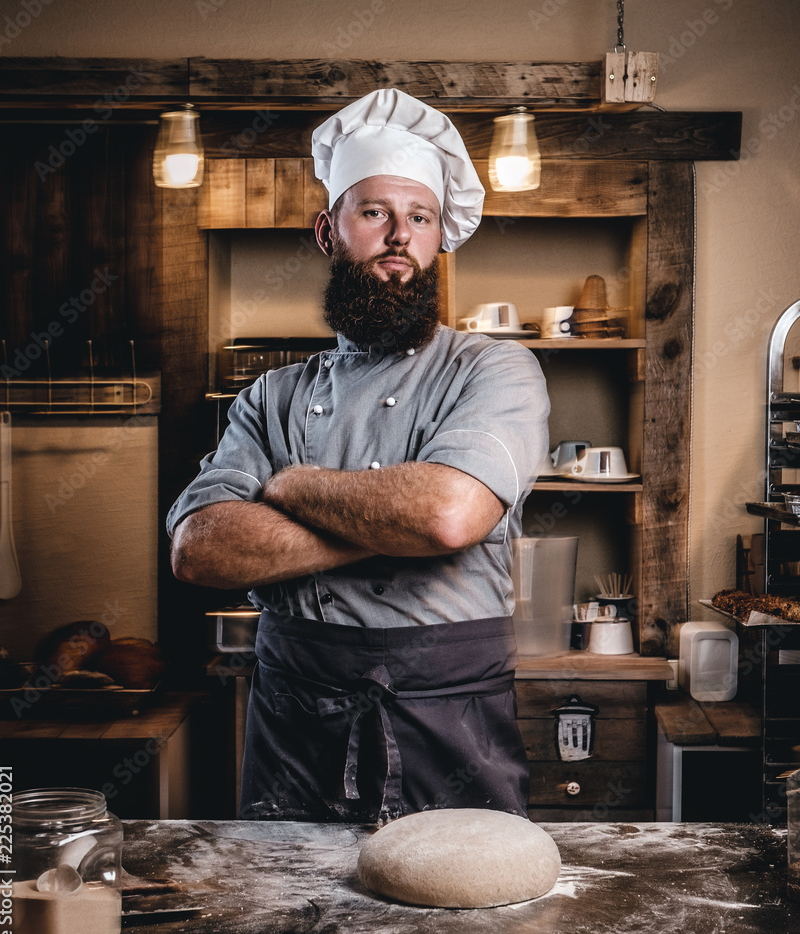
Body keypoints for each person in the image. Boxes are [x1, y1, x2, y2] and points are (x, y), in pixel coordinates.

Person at [167, 88, 550, 824]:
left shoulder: (492, 370)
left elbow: (444, 515)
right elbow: (200, 551)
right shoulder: (272, 396)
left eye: (420, 217)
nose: (399, 235)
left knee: (458, 929)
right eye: (375, 212)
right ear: (328, 231)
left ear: (439, 238)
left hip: (448, 715)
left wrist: (290, 484)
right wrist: (384, 530)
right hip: (294, 715)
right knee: (288, 919)